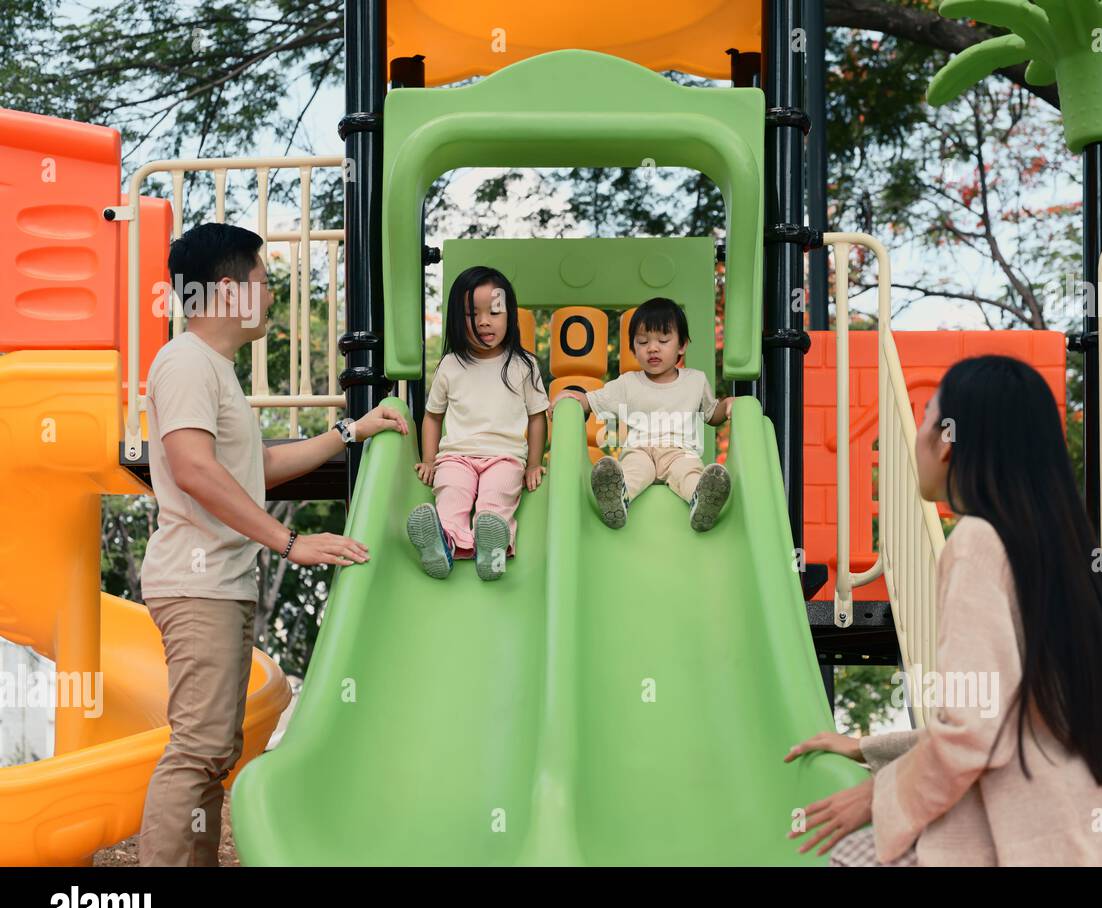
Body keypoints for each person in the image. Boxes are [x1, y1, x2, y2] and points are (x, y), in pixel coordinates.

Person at [785, 355, 1102, 866]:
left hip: (1093, 838)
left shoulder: (977, 543)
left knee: (852, 857)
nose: (917, 437)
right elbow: (1011, 716)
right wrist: (870, 748)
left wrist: (877, 795)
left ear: (948, 440)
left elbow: (976, 728)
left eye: (927, 416)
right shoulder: (1061, 547)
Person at [140, 222, 406, 865]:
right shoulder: (183, 363)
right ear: (228, 290)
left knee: (214, 752)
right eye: (264, 281)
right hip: (195, 582)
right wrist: (290, 542)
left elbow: (249, 466)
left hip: (219, 583)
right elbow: (195, 470)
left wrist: (352, 430)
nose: (271, 295)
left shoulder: (213, 369)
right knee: (198, 749)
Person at [406, 266, 548, 581]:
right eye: (473, 314)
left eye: (494, 312)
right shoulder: (451, 366)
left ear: (509, 315)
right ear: (458, 319)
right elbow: (433, 416)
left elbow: (538, 417)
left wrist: (534, 463)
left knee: (494, 502)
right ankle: (443, 544)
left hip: (505, 457)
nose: (484, 321)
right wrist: (429, 460)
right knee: (452, 494)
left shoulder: (524, 365)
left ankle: (494, 554)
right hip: (456, 456)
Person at [550, 297, 734, 532]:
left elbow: (711, 414)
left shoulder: (695, 381)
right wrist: (574, 396)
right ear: (633, 349)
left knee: (688, 473)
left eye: (663, 340)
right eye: (643, 341)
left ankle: (703, 501)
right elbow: (594, 401)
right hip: (640, 450)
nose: (653, 348)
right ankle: (617, 499)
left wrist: (727, 405)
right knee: (633, 471)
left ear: (682, 345)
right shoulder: (628, 383)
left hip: (679, 451)